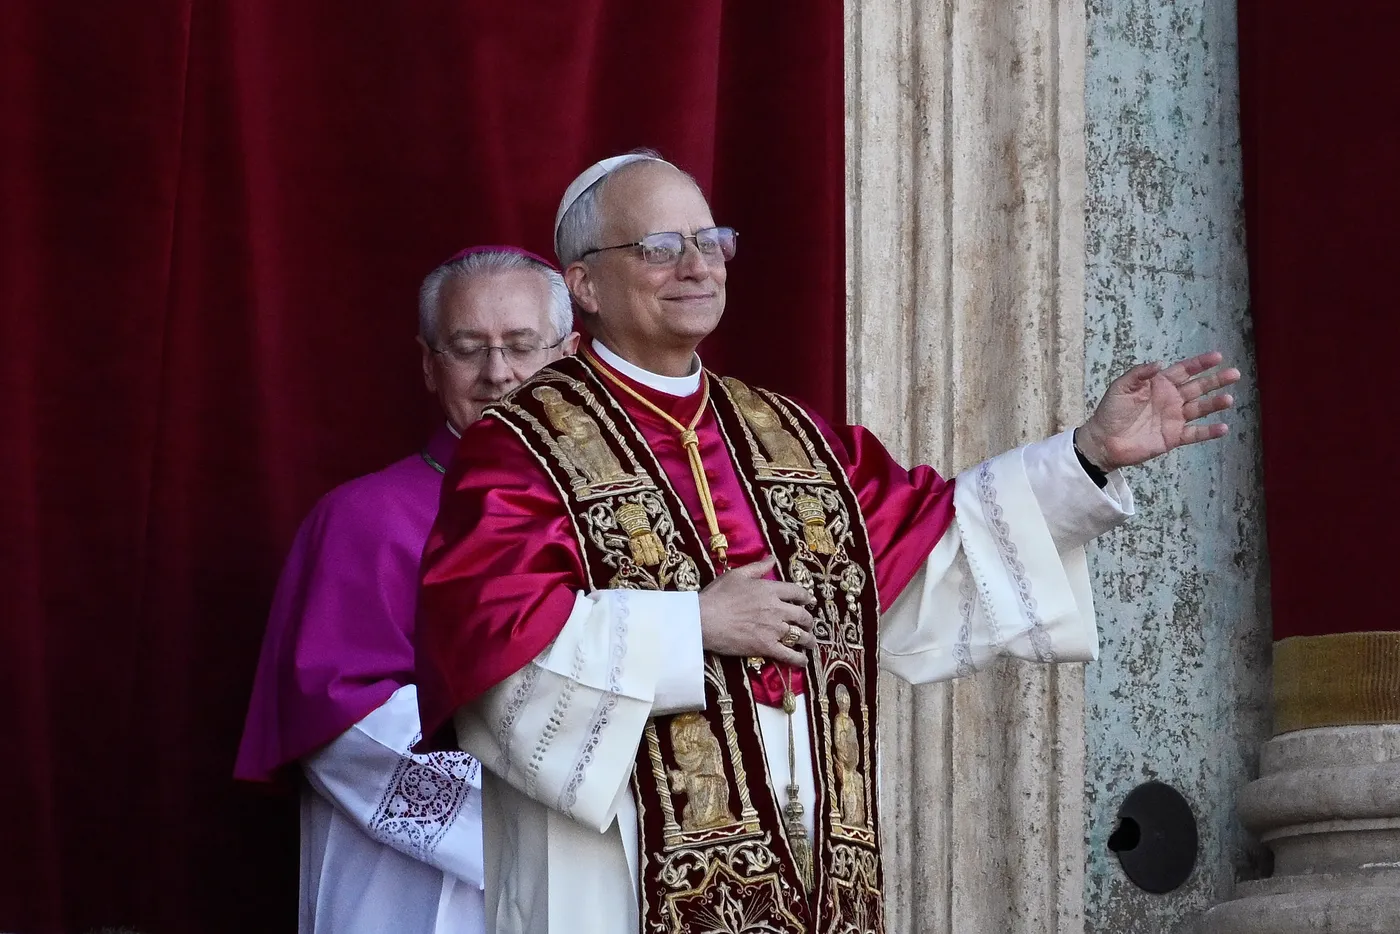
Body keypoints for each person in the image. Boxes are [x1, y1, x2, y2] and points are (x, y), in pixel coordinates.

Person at [413, 153, 1240, 934]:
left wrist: (1088, 453)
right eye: (660, 248)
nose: (696, 267)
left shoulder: (791, 437)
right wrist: (691, 626)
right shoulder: (521, 446)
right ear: (585, 283)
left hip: (810, 869)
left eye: (711, 241)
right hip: (616, 878)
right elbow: (496, 652)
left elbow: (936, 547)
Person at [234, 246, 579, 934]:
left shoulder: (622, 513)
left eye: (521, 346)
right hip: (417, 893)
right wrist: (553, 812)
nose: (497, 373)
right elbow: (345, 727)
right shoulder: (361, 518)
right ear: (428, 364)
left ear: (569, 358)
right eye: (467, 348)